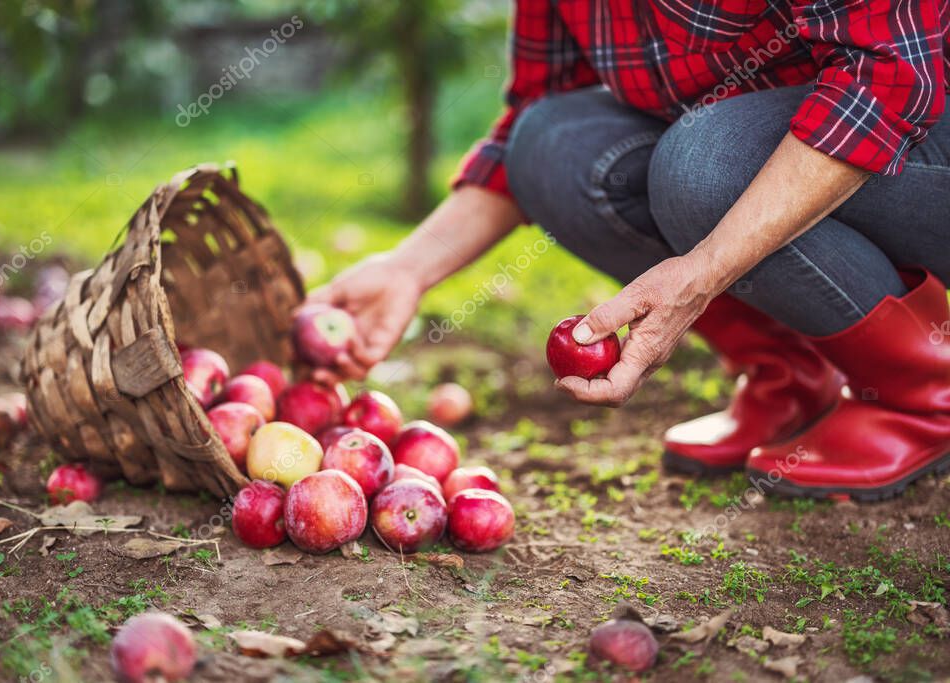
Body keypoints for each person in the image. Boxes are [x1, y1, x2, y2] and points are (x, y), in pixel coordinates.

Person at [310, 1, 950, 501]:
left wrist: (704, 269)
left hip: (923, 118)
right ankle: (794, 369)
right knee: (552, 142)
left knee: (703, 166)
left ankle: (923, 391)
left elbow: (890, 76)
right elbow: (537, 110)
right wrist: (405, 270)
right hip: (777, 133)